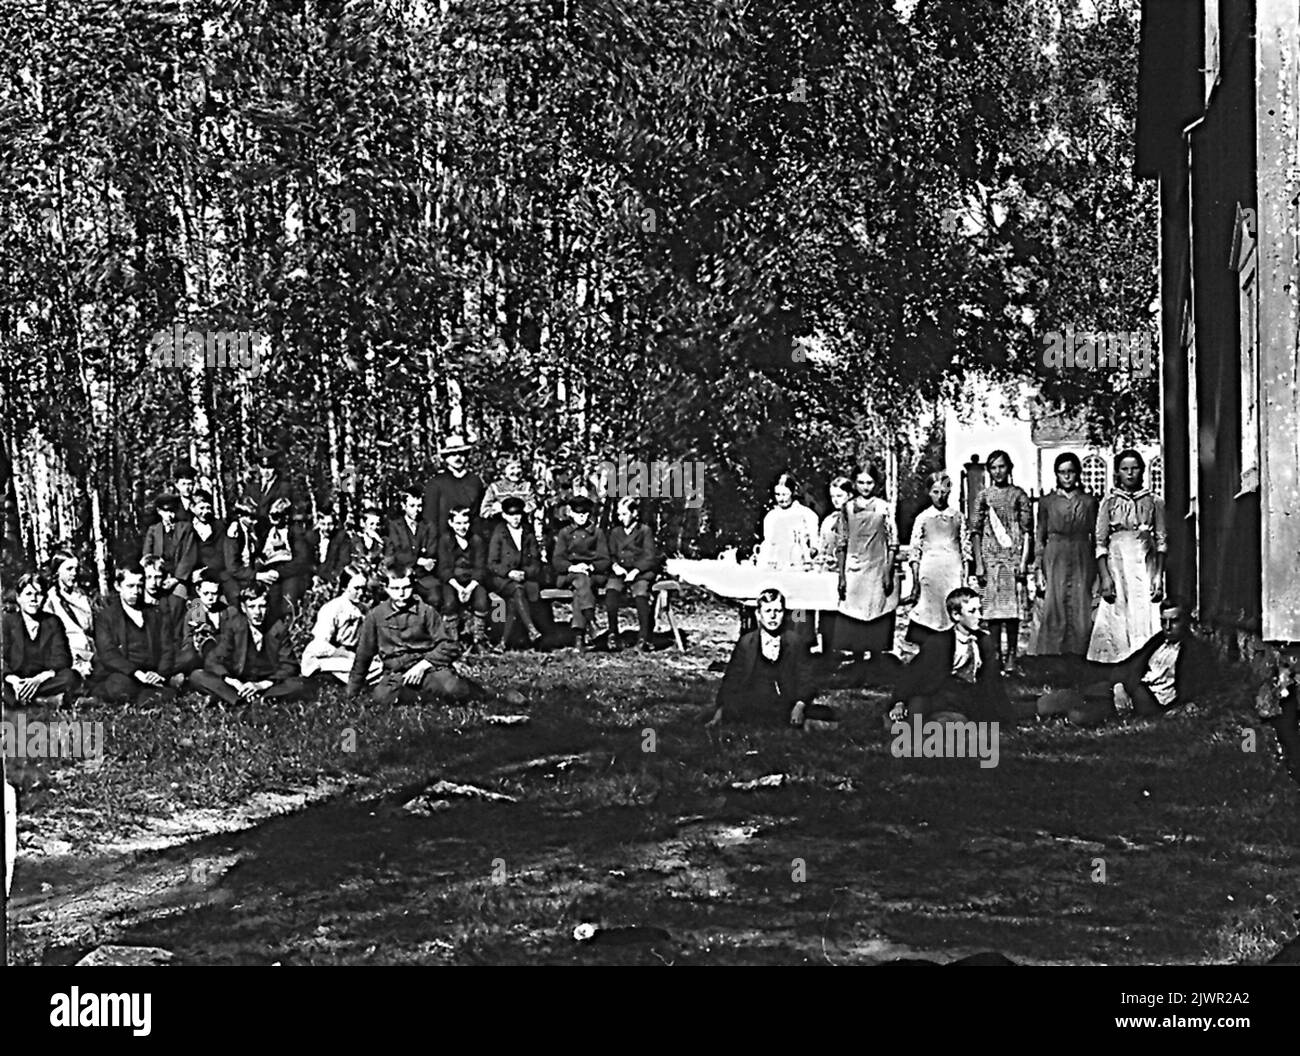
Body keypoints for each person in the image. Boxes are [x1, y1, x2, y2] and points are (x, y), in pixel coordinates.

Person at [348, 559, 482, 705]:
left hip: (428, 670)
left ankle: (442, 693)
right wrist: (352, 693)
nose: (402, 594)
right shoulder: (375, 616)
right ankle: (422, 697)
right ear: (386, 588)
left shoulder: (426, 611)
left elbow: (450, 646)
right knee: (381, 699)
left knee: (456, 689)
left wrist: (423, 665)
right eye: (395, 589)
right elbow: (363, 655)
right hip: (397, 674)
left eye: (406, 588)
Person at [705, 588, 830, 727]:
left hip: (785, 703)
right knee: (730, 712)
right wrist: (720, 713)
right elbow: (732, 680)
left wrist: (799, 706)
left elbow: (806, 679)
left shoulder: (795, 642)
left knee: (823, 714)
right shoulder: (747, 643)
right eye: (768, 611)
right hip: (753, 704)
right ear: (758, 614)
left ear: (784, 613)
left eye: (778, 611)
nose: (773, 616)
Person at [1087, 450, 1166, 664]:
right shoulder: (1109, 502)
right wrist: (1105, 577)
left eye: (1134, 468)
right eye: (1125, 469)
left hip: (1144, 565)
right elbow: (1100, 543)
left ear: (1142, 470)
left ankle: (1146, 661)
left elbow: (1161, 542)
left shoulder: (1154, 501)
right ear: (1117, 473)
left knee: (1145, 612)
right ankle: (1118, 668)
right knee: (1118, 614)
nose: (1130, 474)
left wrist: (1158, 576)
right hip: (1118, 566)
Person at [889, 587, 1012, 722]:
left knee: (993, 713)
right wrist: (899, 701)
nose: (979, 616)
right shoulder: (939, 642)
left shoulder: (984, 641)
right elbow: (915, 672)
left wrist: (1001, 707)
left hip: (970, 695)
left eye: (980, 610)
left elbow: (992, 679)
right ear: (956, 615)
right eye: (972, 611)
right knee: (919, 709)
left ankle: (1037, 706)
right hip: (941, 692)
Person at [191, 582, 311, 705]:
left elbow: (290, 666)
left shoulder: (278, 628)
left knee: (301, 684)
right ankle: (242, 700)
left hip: (267, 684)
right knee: (197, 676)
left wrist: (260, 685)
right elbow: (213, 660)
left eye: (262, 606)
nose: (257, 613)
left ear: (268, 607)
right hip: (239, 683)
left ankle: (255, 699)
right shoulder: (235, 626)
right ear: (244, 608)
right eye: (252, 607)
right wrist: (236, 683)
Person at [1029, 452, 1098, 657]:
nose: (1066, 477)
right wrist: (1039, 569)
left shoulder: (1089, 501)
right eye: (1062, 472)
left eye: (1070, 472)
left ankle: (1079, 656)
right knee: (1055, 604)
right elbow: (1039, 536)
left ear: (1077, 473)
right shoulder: (1047, 502)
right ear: (1056, 475)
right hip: (1055, 556)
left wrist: (1098, 570)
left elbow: (1096, 536)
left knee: (1080, 604)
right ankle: (1053, 658)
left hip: (1081, 555)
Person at [971, 449, 1032, 676]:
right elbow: (975, 531)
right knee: (993, 613)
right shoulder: (983, 497)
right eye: (994, 467)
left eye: (1002, 466)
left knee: (1012, 612)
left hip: (1012, 559)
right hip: (990, 559)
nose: (998, 472)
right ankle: (994, 655)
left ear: (1009, 468)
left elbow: (1027, 531)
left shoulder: (1019, 495)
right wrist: (979, 563)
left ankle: (1011, 657)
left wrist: (1024, 562)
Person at [834, 461, 899, 660]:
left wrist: (887, 572)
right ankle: (858, 661)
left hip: (876, 567)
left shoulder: (883, 507)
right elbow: (842, 542)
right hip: (854, 568)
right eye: (861, 482)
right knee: (854, 615)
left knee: (876, 613)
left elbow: (892, 542)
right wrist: (841, 575)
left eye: (869, 482)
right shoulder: (847, 508)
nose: (865, 487)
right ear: (854, 483)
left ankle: (876, 662)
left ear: (876, 484)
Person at [1106, 603, 1214, 718]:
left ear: (1186, 621)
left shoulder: (1194, 649)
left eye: (1174, 621)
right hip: (1134, 689)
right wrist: (1119, 689)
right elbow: (1129, 665)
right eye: (1163, 621)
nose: (1167, 627)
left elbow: (1202, 688)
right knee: (1095, 691)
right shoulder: (1159, 641)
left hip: (1152, 701)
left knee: (1096, 702)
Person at [89, 565, 175, 703]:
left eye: (140, 586)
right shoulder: (106, 617)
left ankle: (147, 697)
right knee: (119, 686)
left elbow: (167, 648)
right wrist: (137, 673)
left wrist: (160, 674)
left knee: (168, 692)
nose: (136, 591)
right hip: (124, 673)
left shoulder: (156, 613)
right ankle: (146, 698)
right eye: (130, 586)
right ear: (118, 586)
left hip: (152, 674)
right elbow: (108, 653)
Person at [904, 472, 971, 644]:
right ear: (928, 492)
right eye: (935, 492)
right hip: (931, 571)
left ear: (949, 492)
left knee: (953, 609)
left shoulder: (958, 517)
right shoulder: (923, 518)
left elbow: (965, 548)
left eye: (943, 491)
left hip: (953, 571)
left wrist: (965, 575)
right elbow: (915, 551)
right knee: (930, 611)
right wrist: (916, 580)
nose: (940, 496)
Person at [3, 572, 82, 707]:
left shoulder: (53, 622)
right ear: (19, 597)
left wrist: (38, 679)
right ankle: (42, 701)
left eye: (38, 594)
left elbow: (63, 658)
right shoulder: (7, 622)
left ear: (45, 598)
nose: (33, 599)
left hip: (43, 679)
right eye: (28, 594)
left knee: (71, 676)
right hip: (15, 679)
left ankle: (25, 700)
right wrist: (14, 681)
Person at [303, 565, 383, 685]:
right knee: (371, 668)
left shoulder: (363, 610)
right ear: (345, 587)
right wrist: (346, 654)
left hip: (352, 656)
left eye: (363, 589)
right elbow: (320, 644)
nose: (361, 593)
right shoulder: (333, 608)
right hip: (330, 655)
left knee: (380, 666)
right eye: (356, 588)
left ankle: (354, 678)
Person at [552, 495, 611, 651]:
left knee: (581, 587)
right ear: (571, 514)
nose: (582, 517)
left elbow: (605, 559)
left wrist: (590, 567)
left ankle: (579, 640)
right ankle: (591, 622)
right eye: (578, 514)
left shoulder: (597, 533)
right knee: (581, 580)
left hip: (591, 574)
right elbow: (557, 560)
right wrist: (573, 567)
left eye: (585, 514)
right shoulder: (565, 533)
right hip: (569, 573)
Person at [605, 496, 662, 652]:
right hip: (620, 572)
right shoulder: (616, 532)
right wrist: (615, 565)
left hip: (640, 572)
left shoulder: (644, 531)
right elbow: (610, 554)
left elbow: (650, 556)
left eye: (624, 514)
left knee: (641, 595)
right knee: (611, 593)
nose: (621, 517)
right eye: (619, 514)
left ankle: (644, 637)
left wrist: (636, 570)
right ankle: (613, 633)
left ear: (634, 513)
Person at [487, 495, 544, 650]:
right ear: (504, 515)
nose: (515, 519)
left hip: (523, 579)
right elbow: (492, 563)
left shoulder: (528, 532)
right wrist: (509, 573)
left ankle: (503, 643)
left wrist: (524, 573)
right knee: (517, 590)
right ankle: (531, 629)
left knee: (514, 599)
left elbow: (536, 562)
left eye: (518, 515)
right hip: (502, 579)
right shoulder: (499, 533)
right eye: (511, 515)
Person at [437, 506, 492, 653]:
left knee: (482, 601)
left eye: (465, 523)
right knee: (449, 603)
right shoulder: (445, 541)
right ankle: (453, 641)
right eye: (458, 523)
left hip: (473, 582)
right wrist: (459, 588)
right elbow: (444, 569)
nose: (462, 527)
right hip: (453, 582)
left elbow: (480, 567)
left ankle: (478, 639)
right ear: (451, 523)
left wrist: (469, 588)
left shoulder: (477, 540)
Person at [254, 497, 312, 621]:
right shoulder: (266, 533)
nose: (274, 518)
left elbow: (302, 560)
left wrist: (279, 572)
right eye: (272, 515)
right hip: (267, 572)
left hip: (287, 572)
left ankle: (289, 625)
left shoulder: (294, 533)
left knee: (288, 600)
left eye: (278, 515)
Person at [44, 548, 95, 678]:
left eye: (76, 569)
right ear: (57, 571)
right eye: (69, 569)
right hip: (70, 656)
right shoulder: (50, 600)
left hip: (91, 653)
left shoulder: (82, 596)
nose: (74, 573)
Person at [422, 434, 485, 538]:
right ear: (445, 458)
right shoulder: (436, 483)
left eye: (461, 454)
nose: (457, 457)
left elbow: (479, 514)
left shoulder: (475, 481)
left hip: (471, 540)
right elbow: (430, 518)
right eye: (452, 454)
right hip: (445, 541)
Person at [386, 485, 440, 604]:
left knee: (435, 597)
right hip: (401, 576)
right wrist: (418, 561)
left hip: (423, 577)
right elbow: (396, 553)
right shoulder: (395, 526)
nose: (417, 510)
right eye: (412, 506)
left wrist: (418, 560)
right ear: (403, 506)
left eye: (419, 506)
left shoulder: (429, 526)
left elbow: (431, 553)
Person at [140, 492, 198, 597]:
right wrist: (155, 576)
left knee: (178, 598)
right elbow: (147, 555)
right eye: (166, 511)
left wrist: (176, 578)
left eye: (172, 511)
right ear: (159, 511)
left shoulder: (186, 528)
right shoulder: (153, 530)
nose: (170, 515)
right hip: (157, 576)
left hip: (179, 577)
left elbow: (189, 555)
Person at [174, 572, 231, 677]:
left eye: (214, 593)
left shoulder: (225, 610)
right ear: (198, 591)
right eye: (206, 593)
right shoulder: (196, 610)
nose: (210, 598)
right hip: (199, 655)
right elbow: (187, 642)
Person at [758, 473, 819, 568]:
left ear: (792, 492)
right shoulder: (771, 516)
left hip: (799, 564)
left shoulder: (806, 514)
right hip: (775, 564)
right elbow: (768, 542)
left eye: (785, 494)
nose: (781, 499)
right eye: (777, 494)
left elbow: (814, 544)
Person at [140, 555, 188, 673]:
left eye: (157, 577)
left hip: (169, 657)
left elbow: (177, 637)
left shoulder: (175, 603)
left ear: (165, 578)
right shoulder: (136, 602)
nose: (153, 582)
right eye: (148, 577)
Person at [221, 497, 263, 605]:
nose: (255, 521)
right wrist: (255, 576)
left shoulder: (251, 530)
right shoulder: (235, 531)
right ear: (240, 515)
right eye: (251, 517)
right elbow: (232, 568)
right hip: (235, 577)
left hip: (248, 574)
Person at [480, 453, 539, 522]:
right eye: (512, 468)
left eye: (518, 467)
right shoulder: (494, 487)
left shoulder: (527, 486)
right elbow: (484, 511)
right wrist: (495, 509)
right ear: (504, 470)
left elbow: (533, 504)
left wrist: (524, 508)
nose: (516, 472)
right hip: (500, 524)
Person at [241, 445, 293, 518]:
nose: (266, 472)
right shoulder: (252, 485)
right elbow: (245, 502)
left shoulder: (283, 486)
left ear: (275, 467)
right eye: (263, 468)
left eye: (269, 468)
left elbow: (284, 505)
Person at [188, 488, 226, 584]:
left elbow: (221, 554)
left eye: (208, 508)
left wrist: (205, 572)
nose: (205, 512)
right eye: (201, 508)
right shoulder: (186, 527)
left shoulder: (218, 527)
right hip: (190, 574)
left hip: (214, 573)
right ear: (192, 508)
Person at [307, 505, 350, 588]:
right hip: (312, 579)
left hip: (331, 580)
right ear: (318, 523)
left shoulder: (341, 537)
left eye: (330, 524)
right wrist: (313, 577)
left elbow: (343, 562)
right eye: (323, 524)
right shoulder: (310, 537)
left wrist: (329, 579)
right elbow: (305, 560)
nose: (326, 528)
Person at [819, 476, 852, 571]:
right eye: (832, 496)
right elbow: (823, 547)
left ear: (849, 495)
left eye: (839, 496)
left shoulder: (857, 519)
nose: (835, 500)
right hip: (831, 569)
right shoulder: (829, 521)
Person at [349, 506, 388, 584]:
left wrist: (379, 540)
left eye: (378, 524)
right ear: (363, 523)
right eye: (371, 524)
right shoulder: (354, 540)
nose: (375, 527)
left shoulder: (385, 541)